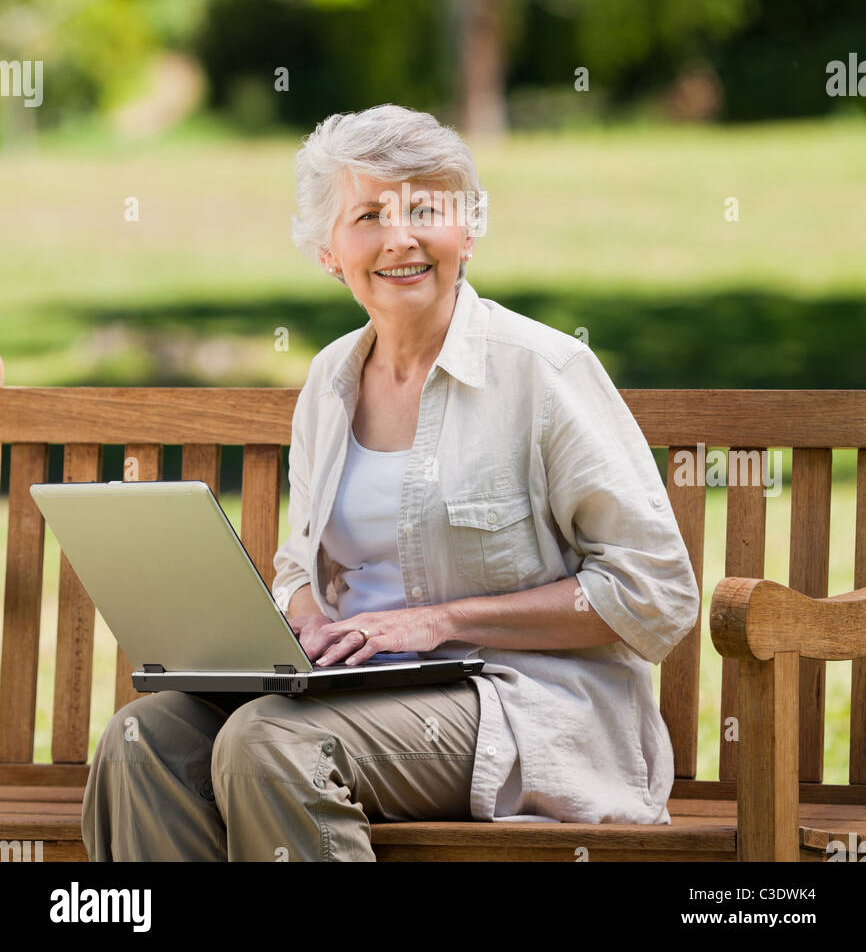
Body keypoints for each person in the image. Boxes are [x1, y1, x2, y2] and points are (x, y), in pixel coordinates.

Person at [82, 102, 700, 862]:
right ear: (327, 251)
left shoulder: (543, 371)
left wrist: (437, 621)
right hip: (350, 700)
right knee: (143, 736)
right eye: (369, 214)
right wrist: (300, 615)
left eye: (425, 209)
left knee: (269, 741)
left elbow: (654, 593)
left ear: (467, 230)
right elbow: (297, 567)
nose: (400, 237)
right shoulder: (331, 379)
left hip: (521, 708)